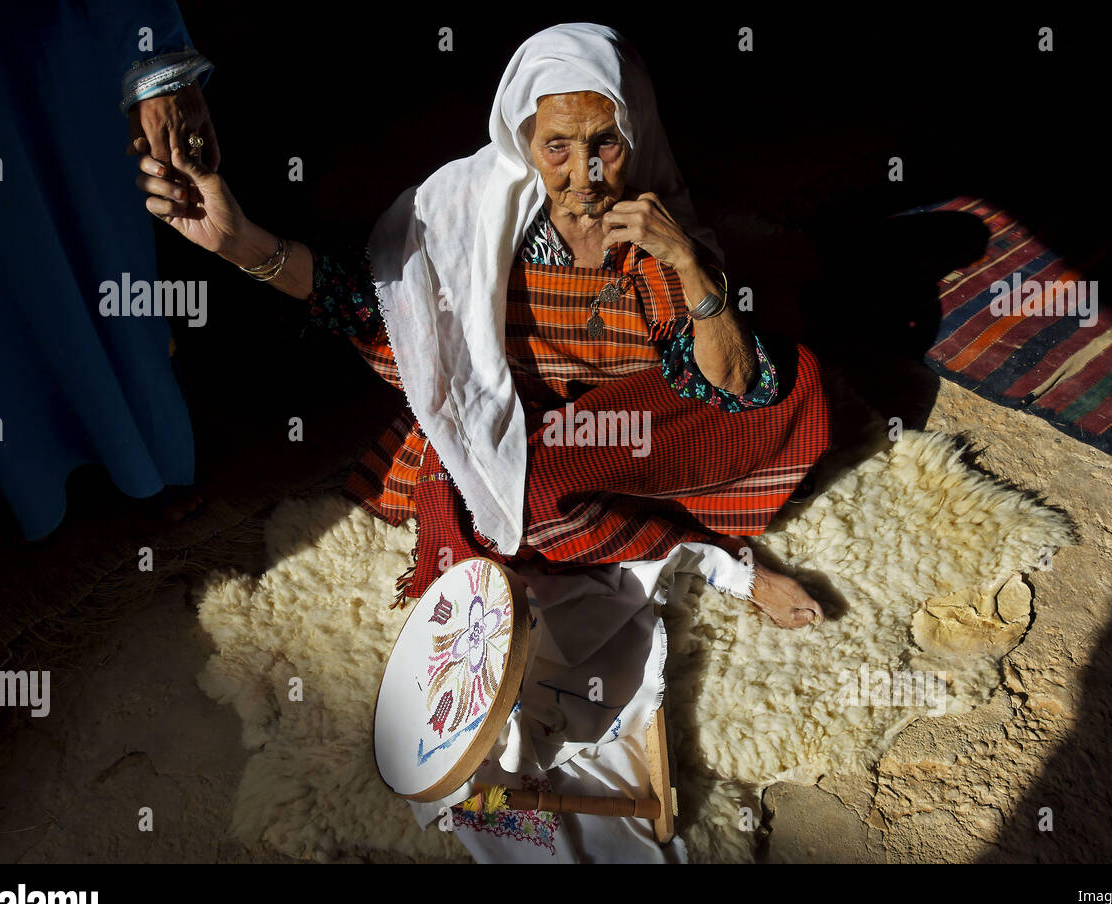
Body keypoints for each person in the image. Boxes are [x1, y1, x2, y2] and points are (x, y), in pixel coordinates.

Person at [133, 23, 831, 627]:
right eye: (557, 145)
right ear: (523, 138)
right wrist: (238, 243)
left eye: (606, 144)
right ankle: (710, 560)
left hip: (631, 430)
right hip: (535, 433)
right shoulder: (474, 219)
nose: (584, 174)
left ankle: (607, 521)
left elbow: (733, 383)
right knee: (510, 489)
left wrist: (685, 261)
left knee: (788, 387)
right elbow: (368, 302)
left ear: (635, 132)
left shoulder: (653, 240)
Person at [0, 1, 213, 539]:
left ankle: (145, 452)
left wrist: (159, 65)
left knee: (97, 233)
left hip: (38, 30)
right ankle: (32, 478)